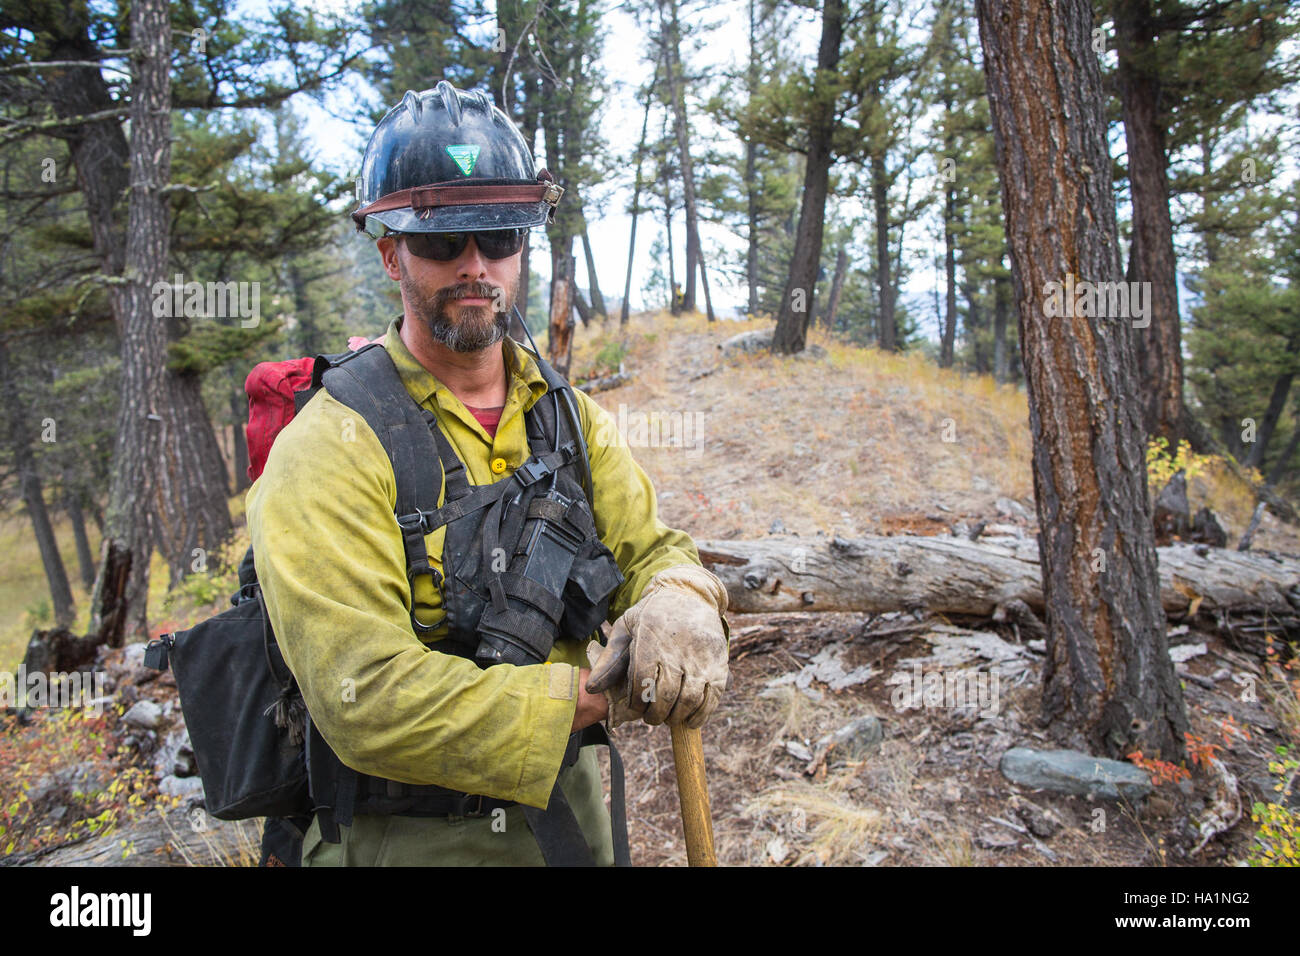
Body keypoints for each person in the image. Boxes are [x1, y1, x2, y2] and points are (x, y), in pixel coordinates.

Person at [245, 81, 731, 866]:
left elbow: (654, 550)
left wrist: (683, 600)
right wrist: (597, 694)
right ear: (389, 251)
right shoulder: (330, 445)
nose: (477, 266)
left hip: (571, 827)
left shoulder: (569, 419)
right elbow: (364, 698)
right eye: (442, 243)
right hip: (400, 845)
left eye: (500, 236)